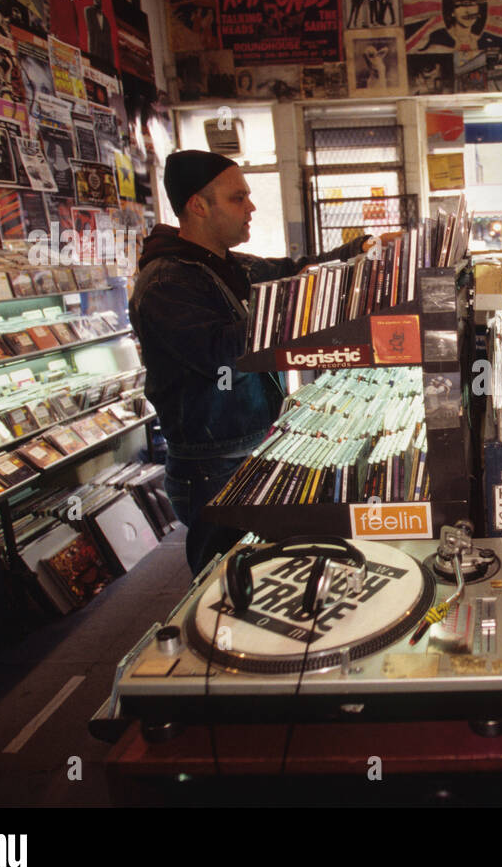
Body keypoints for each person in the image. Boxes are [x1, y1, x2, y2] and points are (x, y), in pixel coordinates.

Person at [130, 150, 376, 576]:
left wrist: (362, 248)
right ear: (198, 206)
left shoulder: (226, 264)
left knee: (261, 574)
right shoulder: (166, 282)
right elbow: (221, 354)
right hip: (213, 466)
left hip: (248, 448)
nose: (251, 207)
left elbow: (297, 269)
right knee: (224, 585)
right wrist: (295, 308)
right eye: (238, 197)